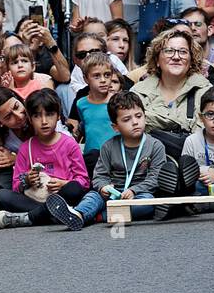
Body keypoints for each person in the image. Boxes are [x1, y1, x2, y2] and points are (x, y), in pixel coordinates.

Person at [36, 91, 166, 230]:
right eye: (126, 119)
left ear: (145, 117)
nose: (135, 122)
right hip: (112, 195)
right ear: (115, 127)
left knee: (147, 204)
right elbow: (99, 176)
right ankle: (77, 214)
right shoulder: (108, 146)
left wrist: (134, 190)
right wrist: (103, 187)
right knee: (93, 196)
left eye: (139, 116)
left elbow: (155, 178)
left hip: (138, 195)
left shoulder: (155, 145)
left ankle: (97, 216)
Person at [0, 88, 93, 229]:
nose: (44, 121)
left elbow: (84, 181)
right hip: (36, 198)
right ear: (30, 119)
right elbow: (16, 185)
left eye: (50, 114)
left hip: (62, 195)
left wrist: (63, 183)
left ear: (58, 116)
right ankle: (52, 214)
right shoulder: (26, 148)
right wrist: (27, 180)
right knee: (1, 195)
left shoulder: (69, 143)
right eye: (37, 116)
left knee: (74, 188)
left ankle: (33, 217)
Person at [131, 27, 212, 136]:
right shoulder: (138, 92)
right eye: (169, 51)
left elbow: (208, 135)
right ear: (157, 60)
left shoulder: (206, 92)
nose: (176, 57)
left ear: (191, 60)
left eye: (183, 52)